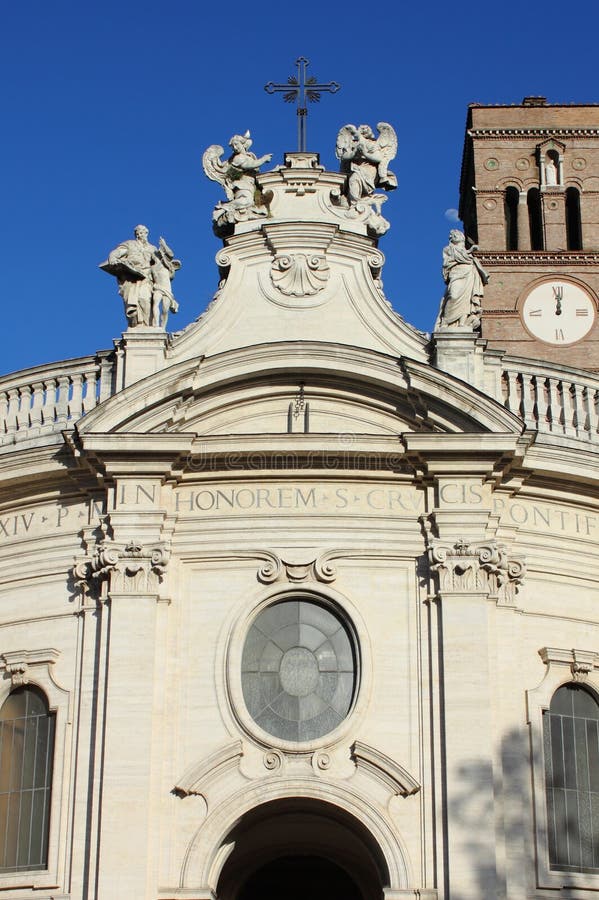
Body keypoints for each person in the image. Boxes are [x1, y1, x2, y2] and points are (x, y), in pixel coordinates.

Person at [101, 226, 180, 328]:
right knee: (136, 304)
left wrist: (164, 249)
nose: (140, 235)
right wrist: (112, 256)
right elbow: (118, 252)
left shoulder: (152, 249)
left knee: (145, 300)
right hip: (132, 279)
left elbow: (163, 261)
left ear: (147, 234)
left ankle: (147, 326)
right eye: (138, 233)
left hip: (147, 278)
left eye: (142, 233)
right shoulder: (130, 244)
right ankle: (138, 325)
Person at [437, 230, 489, 329]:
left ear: (461, 237)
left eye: (454, 235)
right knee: (453, 295)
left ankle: (462, 323)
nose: (451, 236)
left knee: (467, 300)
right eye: (451, 236)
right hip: (456, 275)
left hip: (468, 273)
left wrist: (469, 253)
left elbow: (463, 257)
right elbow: (453, 259)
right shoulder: (448, 249)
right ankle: (446, 322)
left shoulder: (468, 254)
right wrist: (469, 252)